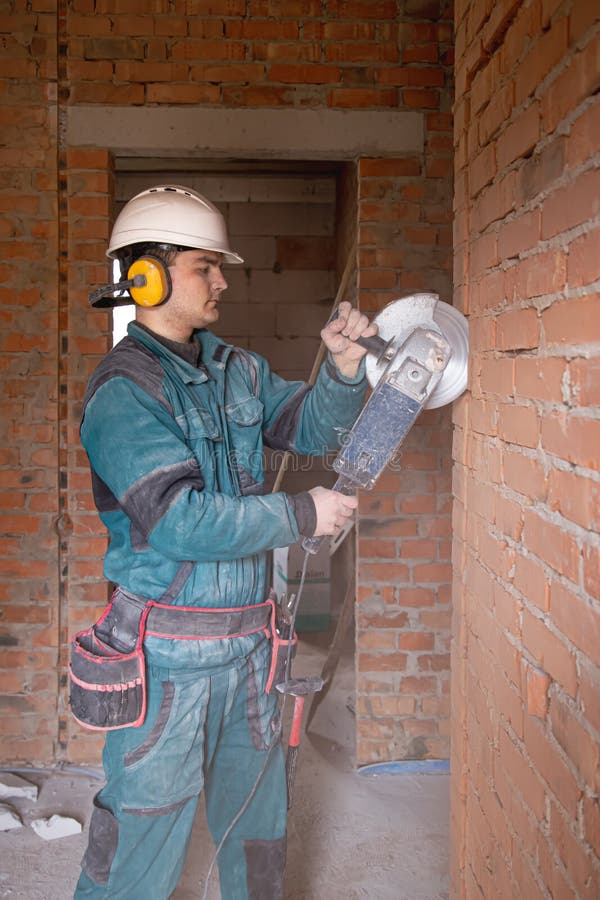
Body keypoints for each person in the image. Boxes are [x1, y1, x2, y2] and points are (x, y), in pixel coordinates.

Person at [73, 184, 376, 899]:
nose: (223, 281)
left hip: (252, 650)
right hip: (167, 658)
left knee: (258, 829)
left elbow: (313, 430)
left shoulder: (236, 369)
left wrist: (343, 370)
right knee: (141, 836)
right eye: (206, 266)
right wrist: (301, 514)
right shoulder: (123, 392)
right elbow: (179, 522)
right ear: (147, 276)